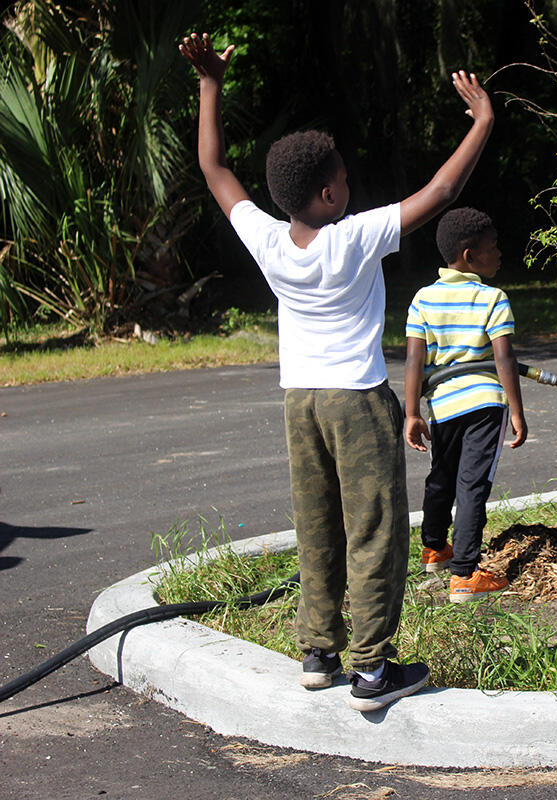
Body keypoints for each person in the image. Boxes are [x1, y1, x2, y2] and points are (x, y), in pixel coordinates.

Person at [179, 32, 494, 711]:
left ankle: (319, 652)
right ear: (327, 193)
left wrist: (210, 85)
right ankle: (373, 671)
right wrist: (483, 122)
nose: (351, 187)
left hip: (300, 402)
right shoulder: (353, 237)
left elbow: (213, 169)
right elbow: (440, 191)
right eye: (345, 180)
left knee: (317, 524)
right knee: (375, 528)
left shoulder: (268, 236)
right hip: (356, 401)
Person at [403, 208, 527, 603]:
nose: (500, 253)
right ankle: (465, 574)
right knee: (473, 484)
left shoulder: (424, 298)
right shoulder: (492, 298)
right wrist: (518, 411)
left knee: (442, 476)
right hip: (485, 405)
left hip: (441, 404)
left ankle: (435, 550)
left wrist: (411, 412)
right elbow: (504, 360)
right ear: (470, 255)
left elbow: (413, 361)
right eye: (493, 247)